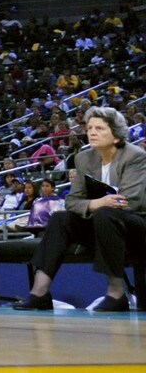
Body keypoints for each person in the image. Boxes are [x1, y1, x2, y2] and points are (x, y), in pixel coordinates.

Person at [13, 107, 146, 312]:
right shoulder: (84, 158)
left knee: (106, 213)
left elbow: (130, 201)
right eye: (90, 127)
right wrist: (96, 203)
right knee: (60, 218)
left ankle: (116, 293)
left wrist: (102, 205)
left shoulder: (135, 156)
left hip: (134, 226)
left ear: (117, 135)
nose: (92, 132)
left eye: (100, 128)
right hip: (100, 220)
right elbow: (72, 201)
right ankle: (39, 292)